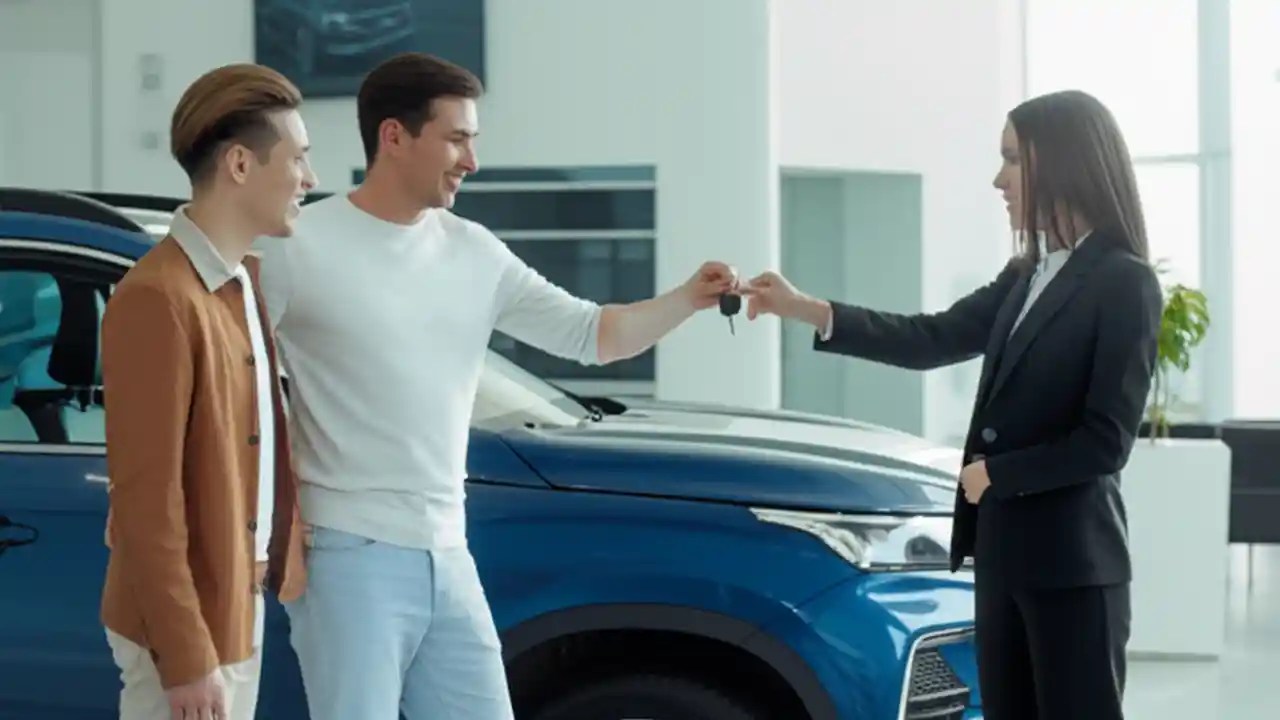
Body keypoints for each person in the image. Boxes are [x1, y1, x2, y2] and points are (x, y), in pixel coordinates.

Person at [252, 51, 740, 719]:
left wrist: (688, 298)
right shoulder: (298, 244)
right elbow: (235, 386)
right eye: (456, 139)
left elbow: (593, 335)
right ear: (394, 136)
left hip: (448, 552)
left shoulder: (473, 250)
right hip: (346, 554)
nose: (470, 161)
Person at [741, 89, 1160, 720]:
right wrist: (805, 308)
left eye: (1013, 160)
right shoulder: (1027, 274)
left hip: (1073, 567)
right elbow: (929, 337)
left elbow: (1106, 440)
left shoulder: (1124, 281)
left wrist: (996, 475)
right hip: (1001, 555)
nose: (1000, 180)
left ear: (1065, 160)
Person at [99, 63, 316, 720]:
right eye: (299, 159)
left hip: (229, 605)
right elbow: (145, 499)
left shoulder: (238, 283)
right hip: (183, 628)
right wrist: (186, 657)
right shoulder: (157, 298)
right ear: (241, 165)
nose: (309, 179)